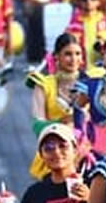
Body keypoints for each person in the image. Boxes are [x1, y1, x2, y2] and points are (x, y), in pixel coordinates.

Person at [28, 33, 84, 178]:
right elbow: (37, 125)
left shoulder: (90, 84)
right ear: (56, 57)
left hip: (84, 156)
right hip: (54, 154)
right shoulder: (43, 85)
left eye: (78, 53)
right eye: (68, 54)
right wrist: (62, 124)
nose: (74, 59)